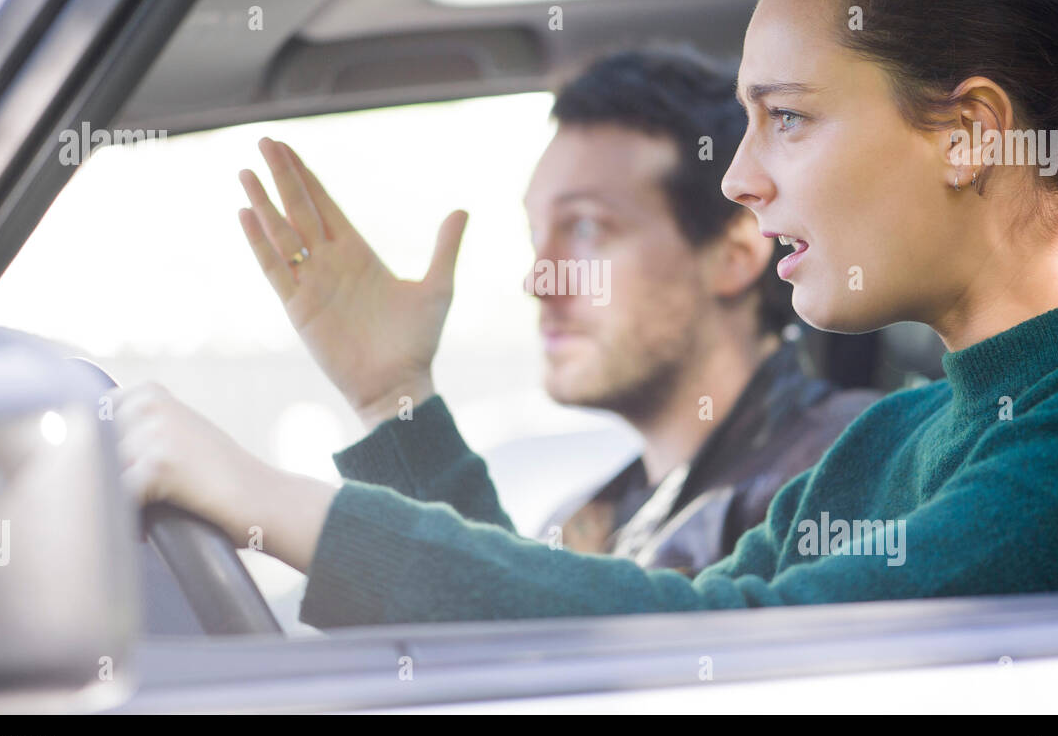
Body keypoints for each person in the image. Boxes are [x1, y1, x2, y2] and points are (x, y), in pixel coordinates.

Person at [114, 0, 1058, 628]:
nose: (739, 177)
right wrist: (392, 402)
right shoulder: (890, 439)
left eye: (786, 118)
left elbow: (728, 652)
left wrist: (269, 500)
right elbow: (628, 627)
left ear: (969, 132)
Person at [253, 46, 880, 577]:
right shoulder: (586, 523)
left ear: (735, 253)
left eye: (586, 229)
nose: (539, 278)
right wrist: (390, 395)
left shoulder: (849, 477)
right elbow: (516, 649)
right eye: (537, 234)